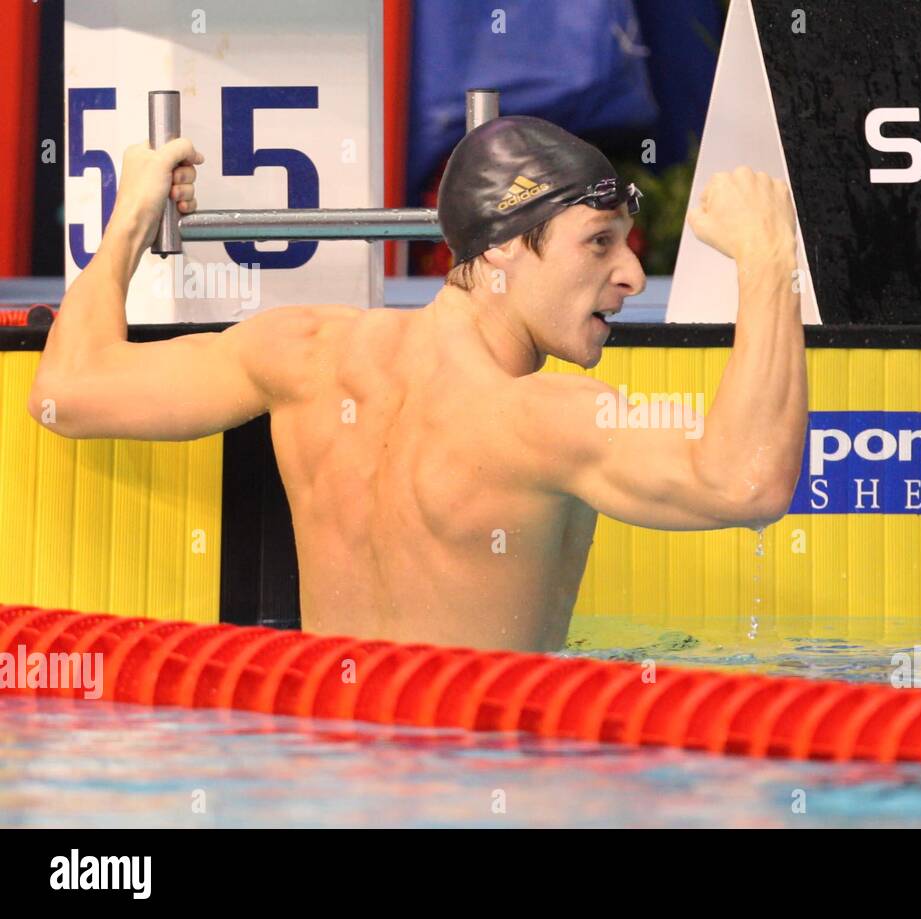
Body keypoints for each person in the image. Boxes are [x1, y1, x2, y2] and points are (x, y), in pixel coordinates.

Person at [29, 116, 808, 651]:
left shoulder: (303, 352)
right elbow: (748, 482)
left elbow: (67, 388)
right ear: (501, 249)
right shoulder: (542, 418)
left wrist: (132, 215)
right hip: (478, 789)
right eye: (599, 243)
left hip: (327, 784)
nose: (633, 274)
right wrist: (770, 257)